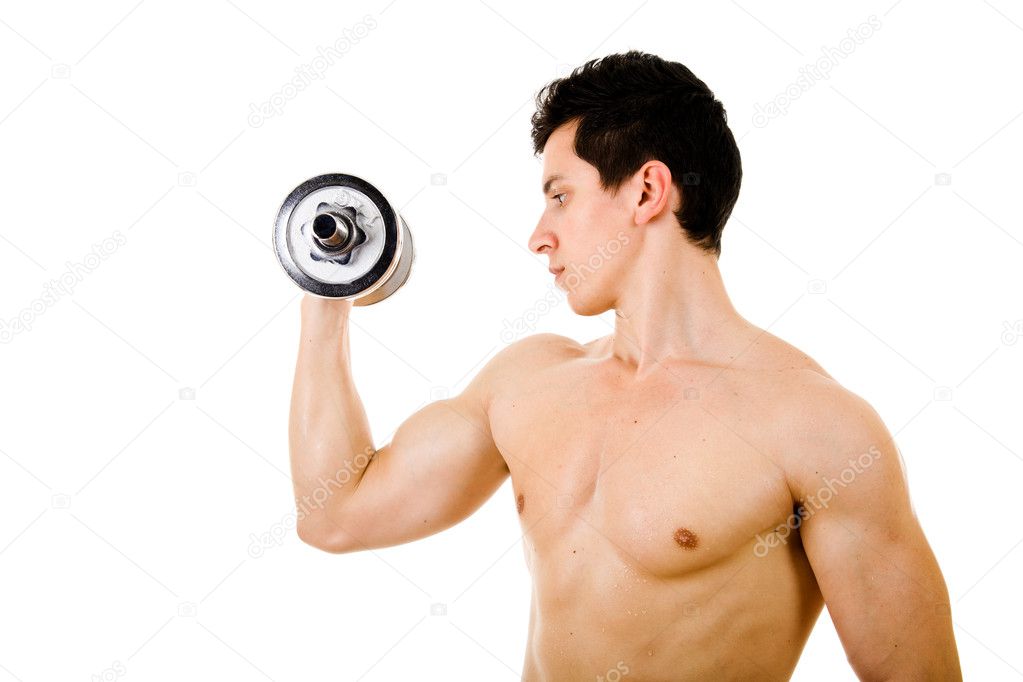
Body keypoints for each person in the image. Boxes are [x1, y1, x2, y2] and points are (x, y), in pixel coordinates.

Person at [288, 50, 961, 680]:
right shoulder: (526, 381)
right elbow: (336, 515)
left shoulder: (816, 428)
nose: (537, 235)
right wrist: (327, 290)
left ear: (646, 192)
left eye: (560, 196)